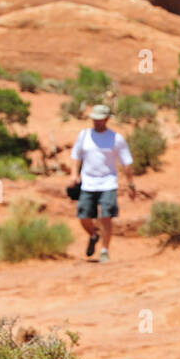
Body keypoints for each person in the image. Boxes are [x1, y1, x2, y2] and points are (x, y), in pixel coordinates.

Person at [70, 104, 136, 262]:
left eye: (100, 119)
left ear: (107, 119)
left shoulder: (116, 138)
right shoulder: (84, 135)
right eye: (94, 119)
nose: (96, 122)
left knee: (106, 217)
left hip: (108, 183)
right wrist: (74, 175)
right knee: (83, 216)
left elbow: (126, 162)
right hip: (88, 183)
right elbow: (75, 155)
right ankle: (93, 235)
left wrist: (131, 184)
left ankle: (105, 251)